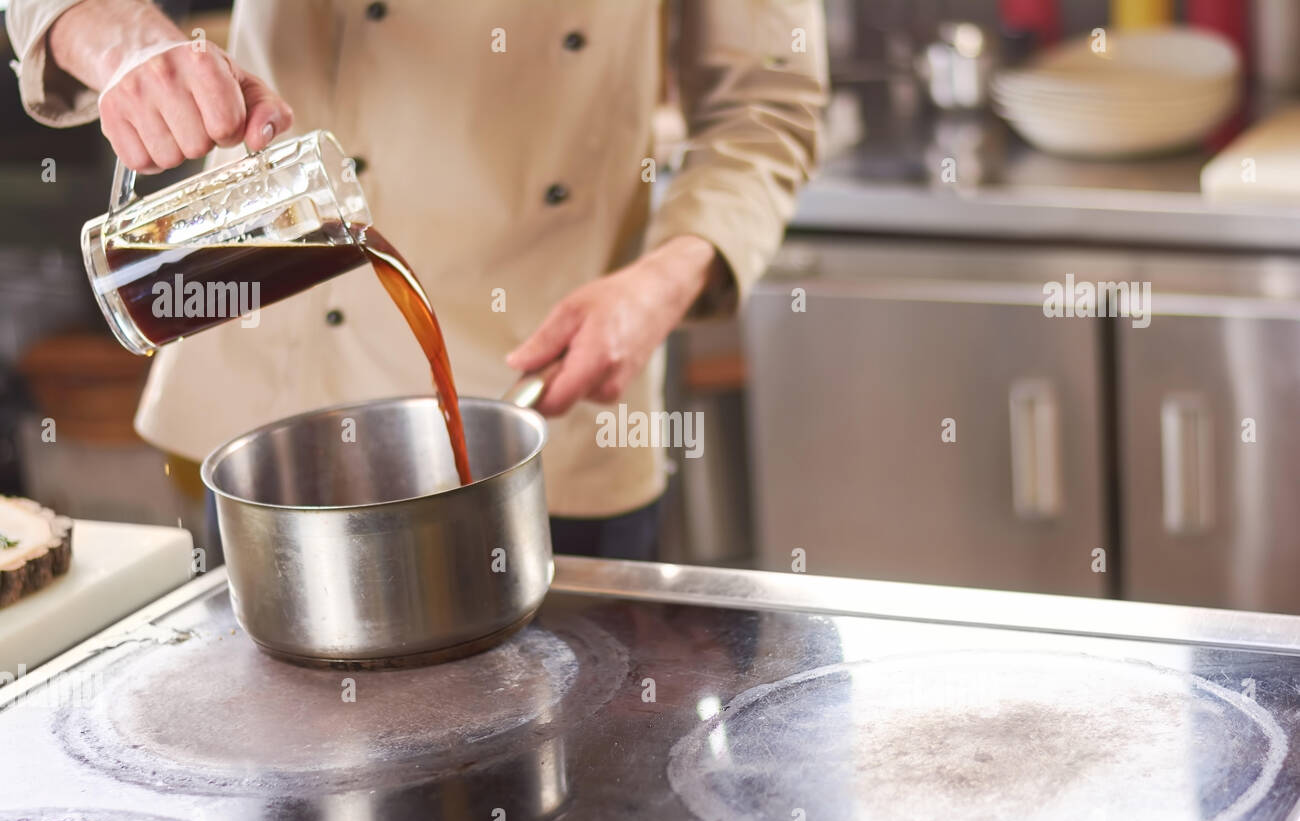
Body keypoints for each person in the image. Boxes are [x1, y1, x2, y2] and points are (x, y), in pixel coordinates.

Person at [7, 0, 827, 559]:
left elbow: (768, 100)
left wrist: (666, 279)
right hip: (283, 407)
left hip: (544, 405)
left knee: (562, 798)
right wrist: (120, 41)